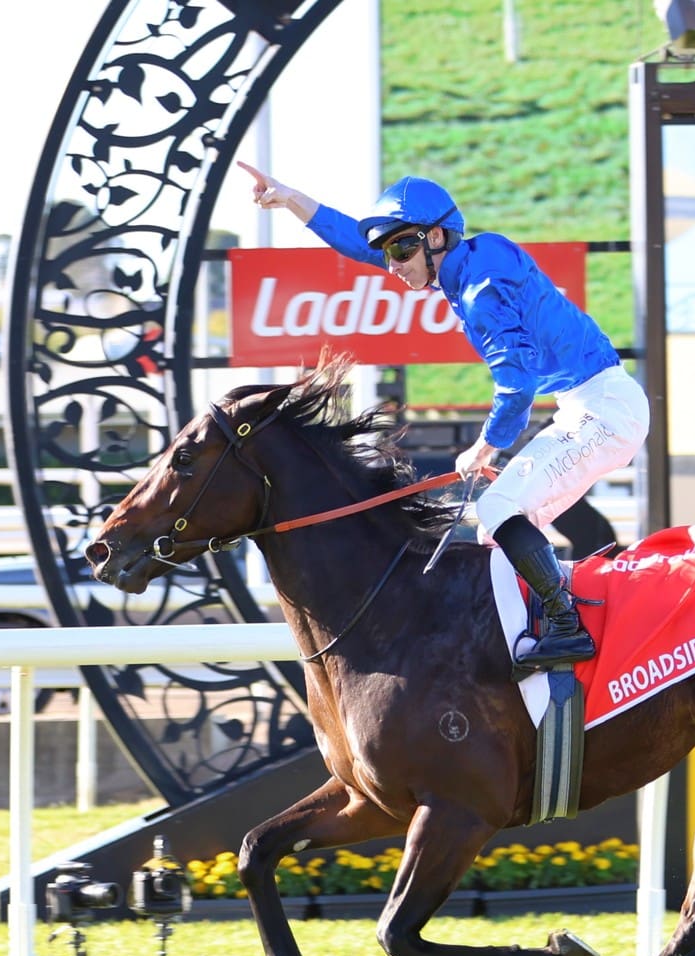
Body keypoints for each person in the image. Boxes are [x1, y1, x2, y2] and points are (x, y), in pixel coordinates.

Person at [238, 161, 646, 671]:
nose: (392, 264)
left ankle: (570, 629)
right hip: (592, 405)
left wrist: (485, 446)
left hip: (604, 409)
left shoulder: (480, 293)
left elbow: (516, 383)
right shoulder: (471, 255)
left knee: (499, 511)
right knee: (497, 530)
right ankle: (551, 626)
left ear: (436, 237)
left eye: (402, 250)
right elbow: (359, 244)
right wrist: (292, 198)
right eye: (390, 251)